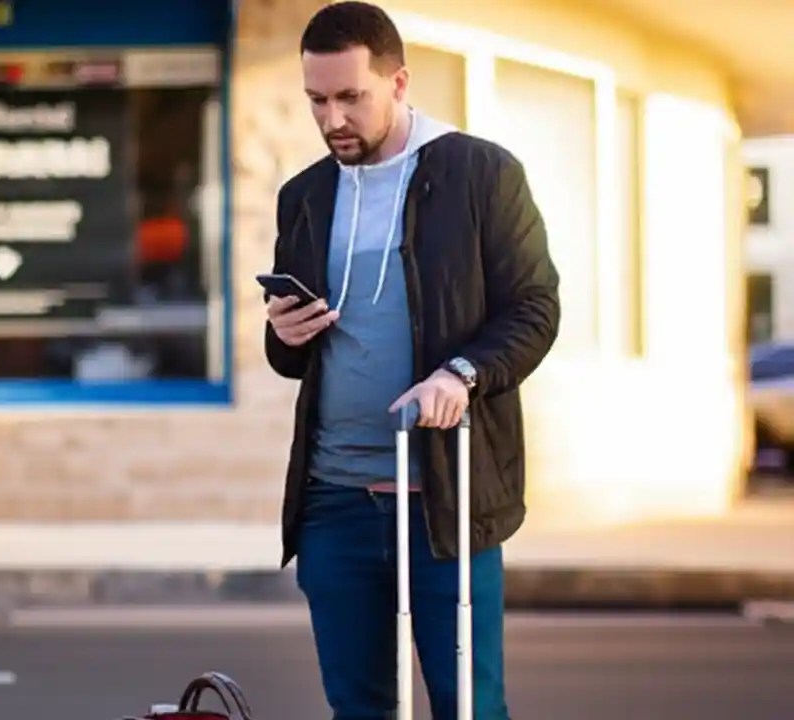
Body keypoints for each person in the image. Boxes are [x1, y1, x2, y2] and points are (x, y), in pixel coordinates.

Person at [262, 3, 561, 719]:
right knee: (358, 707)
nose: (333, 118)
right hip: (334, 501)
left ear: (398, 83)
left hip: (445, 498)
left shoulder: (480, 174)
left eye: (350, 97)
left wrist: (462, 373)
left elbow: (535, 309)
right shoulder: (305, 196)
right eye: (317, 101)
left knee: (468, 706)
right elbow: (287, 358)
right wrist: (285, 332)